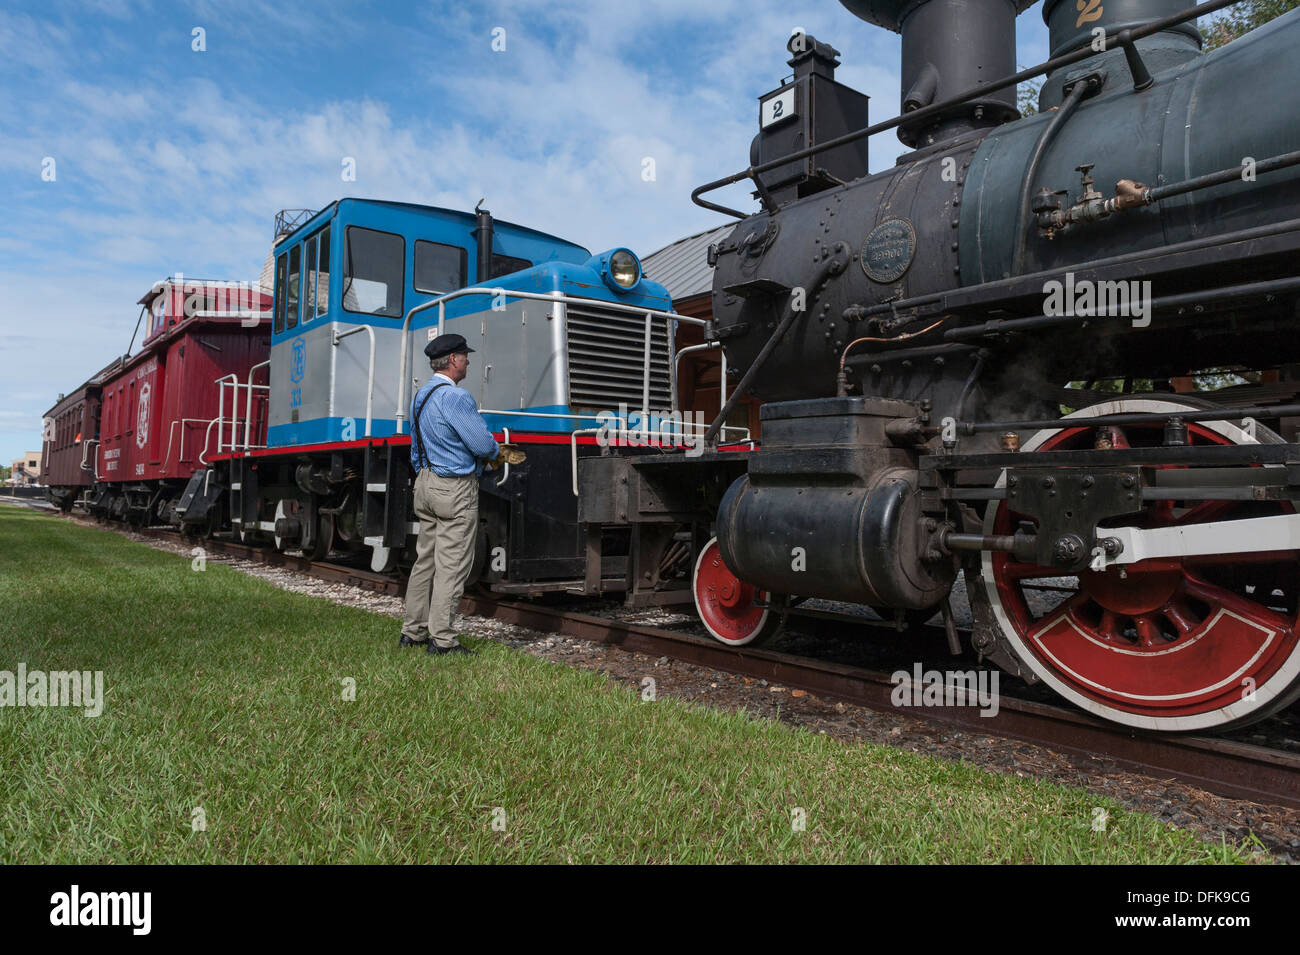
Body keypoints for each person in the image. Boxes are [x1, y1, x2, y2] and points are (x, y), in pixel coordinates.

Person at [400, 333, 499, 656]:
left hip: (425, 482)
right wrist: (497, 449)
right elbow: (482, 445)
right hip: (453, 486)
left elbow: (415, 446)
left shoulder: (422, 395)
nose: (468, 360)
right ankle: (442, 639)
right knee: (452, 564)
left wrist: (425, 471)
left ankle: (412, 632)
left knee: (424, 561)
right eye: (465, 356)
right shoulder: (456, 398)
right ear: (454, 360)